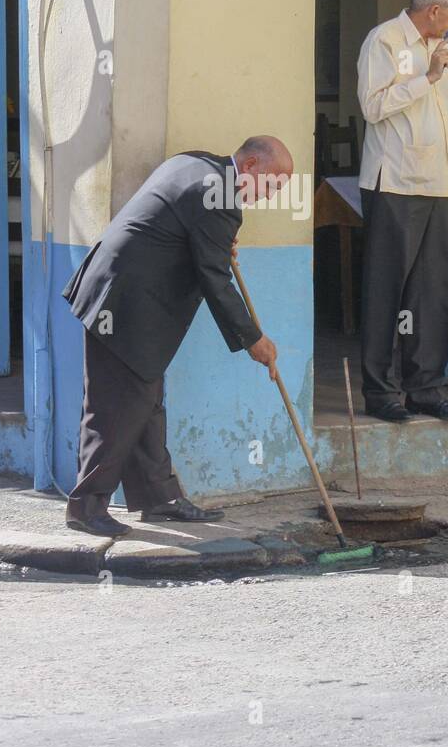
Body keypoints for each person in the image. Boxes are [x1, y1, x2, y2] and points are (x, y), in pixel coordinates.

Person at [61, 136, 292, 535]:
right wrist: (254, 339)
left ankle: (159, 498)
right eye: (271, 185)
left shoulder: (197, 163)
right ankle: (85, 507)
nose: (270, 196)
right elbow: (215, 279)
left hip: (120, 293)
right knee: (115, 405)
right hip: (124, 304)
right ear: (251, 165)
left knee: (145, 402)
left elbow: (182, 231)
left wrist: (214, 244)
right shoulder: (219, 195)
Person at [357, 0, 448, 423]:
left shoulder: (441, 50)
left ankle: (425, 389)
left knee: (432, 291)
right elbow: (373, 107)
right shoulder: (386, 41)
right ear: (434, 10)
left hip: (436, 183)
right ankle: (380, 394)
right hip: (394, 184)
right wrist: (426, 76)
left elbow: (438, 116)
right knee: (385, 290)